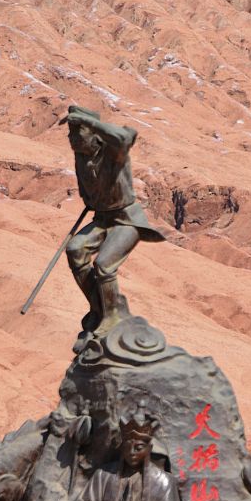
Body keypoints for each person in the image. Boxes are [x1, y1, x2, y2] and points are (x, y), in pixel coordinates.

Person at [61, 105, 166, 349]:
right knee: (75, 249)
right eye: (70, 134)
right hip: (102, 219)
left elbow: (125, 137)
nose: (72, 140)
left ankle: (111, 318)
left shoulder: (113, 151)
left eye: (78, 134)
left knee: (103, 265)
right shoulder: (81, 155)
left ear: (95, 134)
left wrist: (94, 124)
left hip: (126, 220)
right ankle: (100, 308)